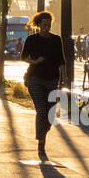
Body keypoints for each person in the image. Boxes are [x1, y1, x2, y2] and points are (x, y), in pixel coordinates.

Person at [20, 10, 66, 162]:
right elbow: (23, 57)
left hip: (52, 80)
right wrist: (34, 62)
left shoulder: (56, 40)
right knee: (41, 109)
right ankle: (41, 144)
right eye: (44, 24)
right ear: (39, 25)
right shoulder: (32, 40)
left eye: (49, 24)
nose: (47, 27)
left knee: (50, 114)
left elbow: (61, 61)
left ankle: (42, 135)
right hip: (35, 79)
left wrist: (64, 78)